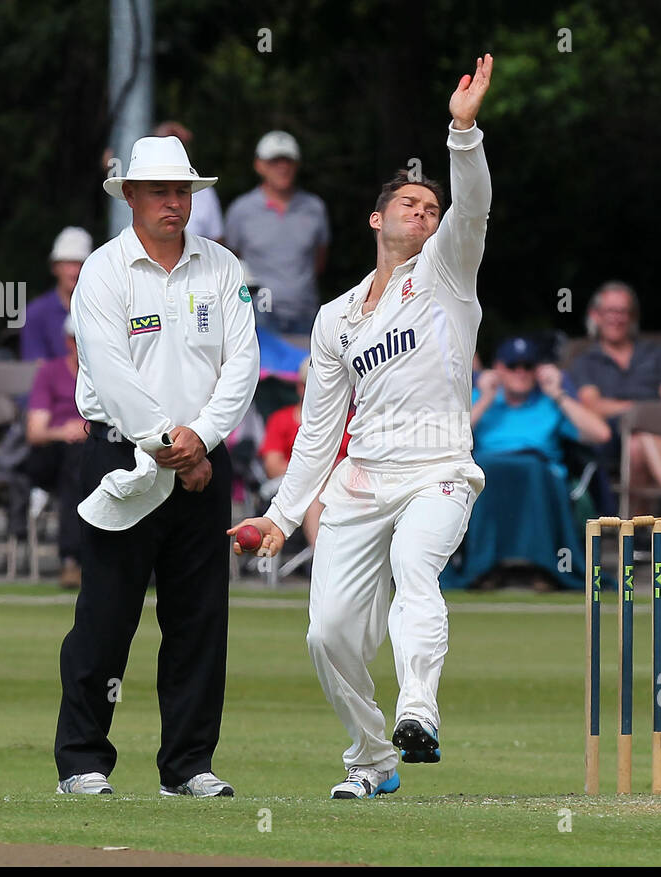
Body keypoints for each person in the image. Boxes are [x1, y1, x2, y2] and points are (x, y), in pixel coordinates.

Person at [230, 55, 494, 799]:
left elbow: (472, 205)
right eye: (410, 205)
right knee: (327, 635)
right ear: (377, 220)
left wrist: (463, 131)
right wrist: (282, 515)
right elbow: (319, 431)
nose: (425, 213)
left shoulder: (447, 271)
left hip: (439, 467)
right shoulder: (335, 318)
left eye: (430, 208)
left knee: (417, 568)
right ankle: (372, 759)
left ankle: (419, 713)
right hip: (360, 478)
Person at [53, 134, 259, 797]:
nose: (174, 203)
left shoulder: (223, 267)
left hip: (204, 462)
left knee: (199, 619)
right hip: (123, 456)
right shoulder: (104, 270)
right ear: (132, 197)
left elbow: (242, 365)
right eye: (161, 192)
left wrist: (200, 439)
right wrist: (169, 444)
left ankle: (188, 766)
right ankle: (82, 761)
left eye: (183, 192)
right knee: (106, 616)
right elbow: (108, 372)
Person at [447, 336, 609, 590]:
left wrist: (558, 393)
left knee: (532, 472)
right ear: (498, 369)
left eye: (528, 366)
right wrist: (486, 398)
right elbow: (449, 439)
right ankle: (482, 567)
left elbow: (600, 434)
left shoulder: (551, 401)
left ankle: (543, 567)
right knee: (484, 474)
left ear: (538, 370)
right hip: (489, 472)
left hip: (540, 473)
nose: (520, 373)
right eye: (513, 366)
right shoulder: (480, 398)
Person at [569, 281, 661, 511]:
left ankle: (636, 528)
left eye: (623, 311)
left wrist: (640, 415)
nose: (616, 318)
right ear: (596, 315)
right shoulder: (586, 361)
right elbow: (592, 405)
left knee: (637, 442)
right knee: (636, 434)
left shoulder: (654, 354)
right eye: (610, 311)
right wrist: (639, 410)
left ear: (632, 316)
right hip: (609, 437)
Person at [224, 131, 330, 335]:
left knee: (306, 366)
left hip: (306, 312)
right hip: (258, 314)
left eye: (288, 160)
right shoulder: (241, 210)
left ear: (297, 165)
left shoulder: (315, 207)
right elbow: (230, 260)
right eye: (274, 161)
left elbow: (320, 260)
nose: (282, 167)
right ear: (259, 165)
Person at [258, 357, 351, 548]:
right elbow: (273, 467)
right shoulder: (281, 419)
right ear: (301, 387)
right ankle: (322, 557)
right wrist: (320, 470)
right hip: (295, 486)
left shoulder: (351, 422)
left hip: (344, 487)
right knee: (317, 492)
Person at [25, 315, 88, 589]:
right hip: (51, 454)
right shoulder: (50, 373)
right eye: (77, 339)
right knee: (73, 459)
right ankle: (72, 558)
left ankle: (75, 559)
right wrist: (64, 432)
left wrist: (86, 429)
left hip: (98, 449)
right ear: (68, 342)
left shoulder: (109, 375)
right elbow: (35, 432)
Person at [20, 227, 93, 361]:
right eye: (68, 263)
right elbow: (37, 370)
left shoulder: (100, 309)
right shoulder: (36, 313)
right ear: (55, 267)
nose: (74, 272)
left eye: (80, 264)